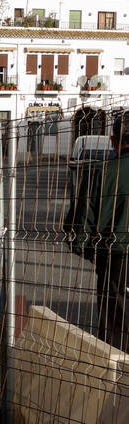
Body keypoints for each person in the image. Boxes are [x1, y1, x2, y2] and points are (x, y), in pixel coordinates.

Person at [81, 110, 129, 350]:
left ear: (113, 140)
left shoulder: (104, 172)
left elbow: (82, 224)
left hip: (115, 254)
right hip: (114, 251)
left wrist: (91, 251)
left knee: (114, 320)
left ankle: (116, 372)